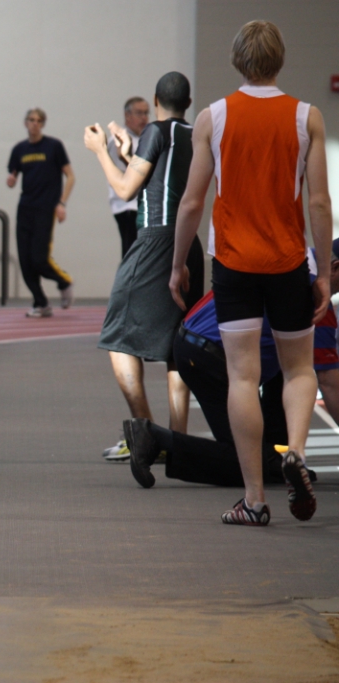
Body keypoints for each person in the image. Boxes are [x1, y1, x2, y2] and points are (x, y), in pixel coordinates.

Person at [169, 20, 332, 525]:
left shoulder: (212, 118)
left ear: (238, 60)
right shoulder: (307, 117)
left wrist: (178, 265)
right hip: (288, 262)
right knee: (300, 369)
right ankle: (297, 452)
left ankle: (255, 499)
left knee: (244, 375)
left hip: (234, 264)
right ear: (280, 60)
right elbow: (321, 202)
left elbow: (193, 201)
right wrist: (323, 271)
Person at [126, 246, 339, 491]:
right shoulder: (313, 299)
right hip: (209, 358)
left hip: (198, 344)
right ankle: (156, 439)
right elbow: (330, 383)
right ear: (335, 268)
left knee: (291, 362)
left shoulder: (286, 259)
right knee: (250, 465)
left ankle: (271, 453)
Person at [83, 72, 203, 462]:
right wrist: (126, 155)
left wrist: (100, 150)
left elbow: (125, 190)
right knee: (175, 346)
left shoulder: (155, 131)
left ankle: (147, 434)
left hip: (155, 241)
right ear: (187, 101)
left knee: (118, 336)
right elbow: (160, 180)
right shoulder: (195, 133)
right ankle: (178, 444)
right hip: (189, 244)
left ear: (155, 100)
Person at [7, 108, 75, 317]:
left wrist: (61, 203)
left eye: (38, 121)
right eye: (31, 120)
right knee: (25, 261)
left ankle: (64, 281)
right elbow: (13, 176)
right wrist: (11, 180)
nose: (35, 124)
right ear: (25, 123)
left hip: (46, 208)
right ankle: (41, 303)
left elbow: (70, 176)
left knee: (39, 258)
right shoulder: (19, 149)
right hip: (25, 208)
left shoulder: (54, 146)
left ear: (43, 124)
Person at [106, 97, 149, 257]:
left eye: (146, 113)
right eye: (139, 113)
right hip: (128, 206)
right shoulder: (119, 140)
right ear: (127, 116)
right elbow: (126, 176)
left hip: (140, 206)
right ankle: (125, 282)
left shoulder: (144, 139)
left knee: (138, 255)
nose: (144, 117)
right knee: (131, 255)